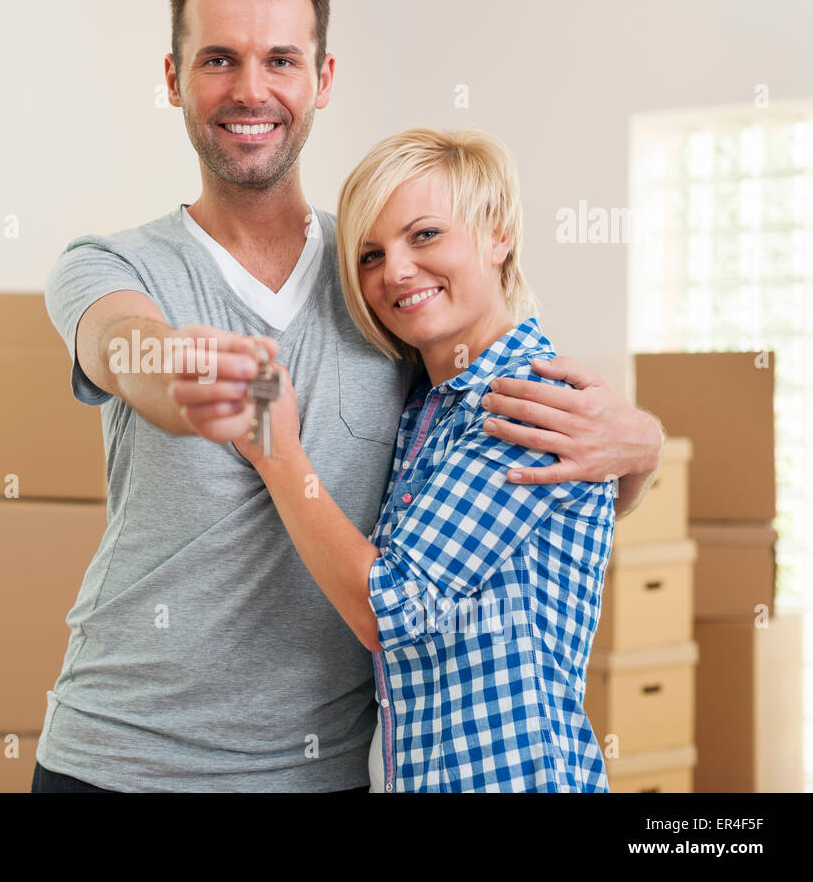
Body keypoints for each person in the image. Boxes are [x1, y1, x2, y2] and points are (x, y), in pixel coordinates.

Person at [33, 0, 662, 793]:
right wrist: (180, 366)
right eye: (218, 59)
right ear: (174, 78)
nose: (250, 89)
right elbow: (121, 346)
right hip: (118, 760)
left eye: (280, 60)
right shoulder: (113, 264)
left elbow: (502, 508)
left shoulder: (384, 289)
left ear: (321, 80)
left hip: (322, 772)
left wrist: (641, 446)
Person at [234, 126, 614, 791]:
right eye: (371, 255)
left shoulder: (531, 404)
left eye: (426, 235)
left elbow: (391, 610)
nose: (396, 272)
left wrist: (277, 452)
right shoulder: (424, 409)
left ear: (498, 235)